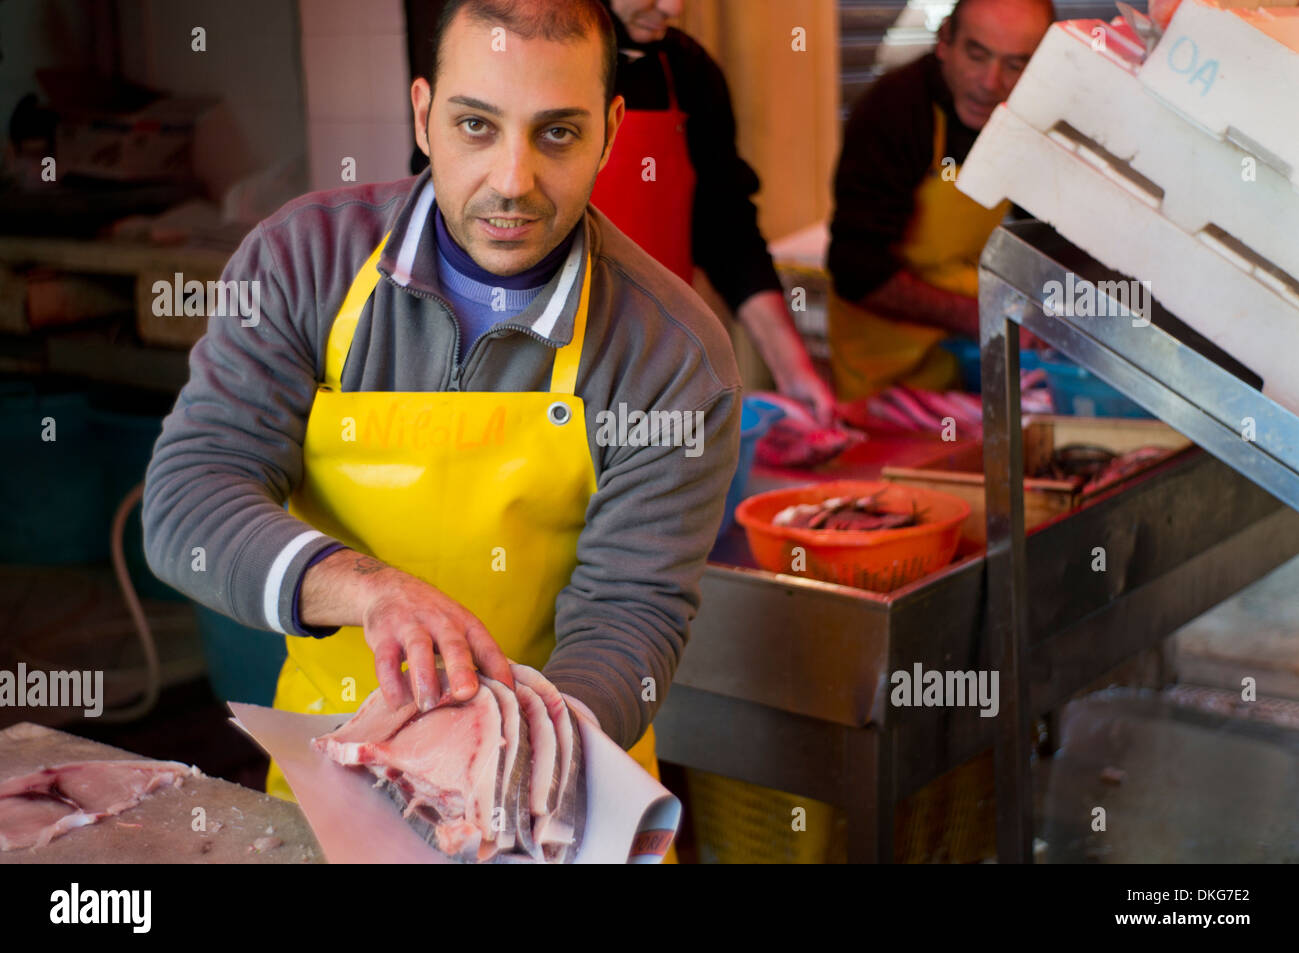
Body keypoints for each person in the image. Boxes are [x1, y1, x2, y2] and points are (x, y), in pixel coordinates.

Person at [142, 0, 740, 842]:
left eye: (558, 134)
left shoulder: (671, 353)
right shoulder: (301, 261)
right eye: (475, 125)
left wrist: (508, 783)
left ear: (610, 130)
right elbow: (186, 502)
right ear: (423, 114)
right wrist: (371, 589)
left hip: (559, 793)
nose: (511, 180)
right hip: (329, 778)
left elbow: (631, 610)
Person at [589, 0, 836, 424]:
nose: (672, 7)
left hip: (655, 374)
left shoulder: (686, 68)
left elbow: (726, 229)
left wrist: (791, 369)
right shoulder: (521, 59)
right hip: (544, 375)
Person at [826, 0, 1054, 401]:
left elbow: (1046, 235)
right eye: (976, 54)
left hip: (967, 368)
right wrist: (981, 315)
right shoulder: (895, 112)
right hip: (884, 380)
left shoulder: (1029, 120)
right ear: (944, 40)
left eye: (1016, 65)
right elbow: (857, 271)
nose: (989, 81)